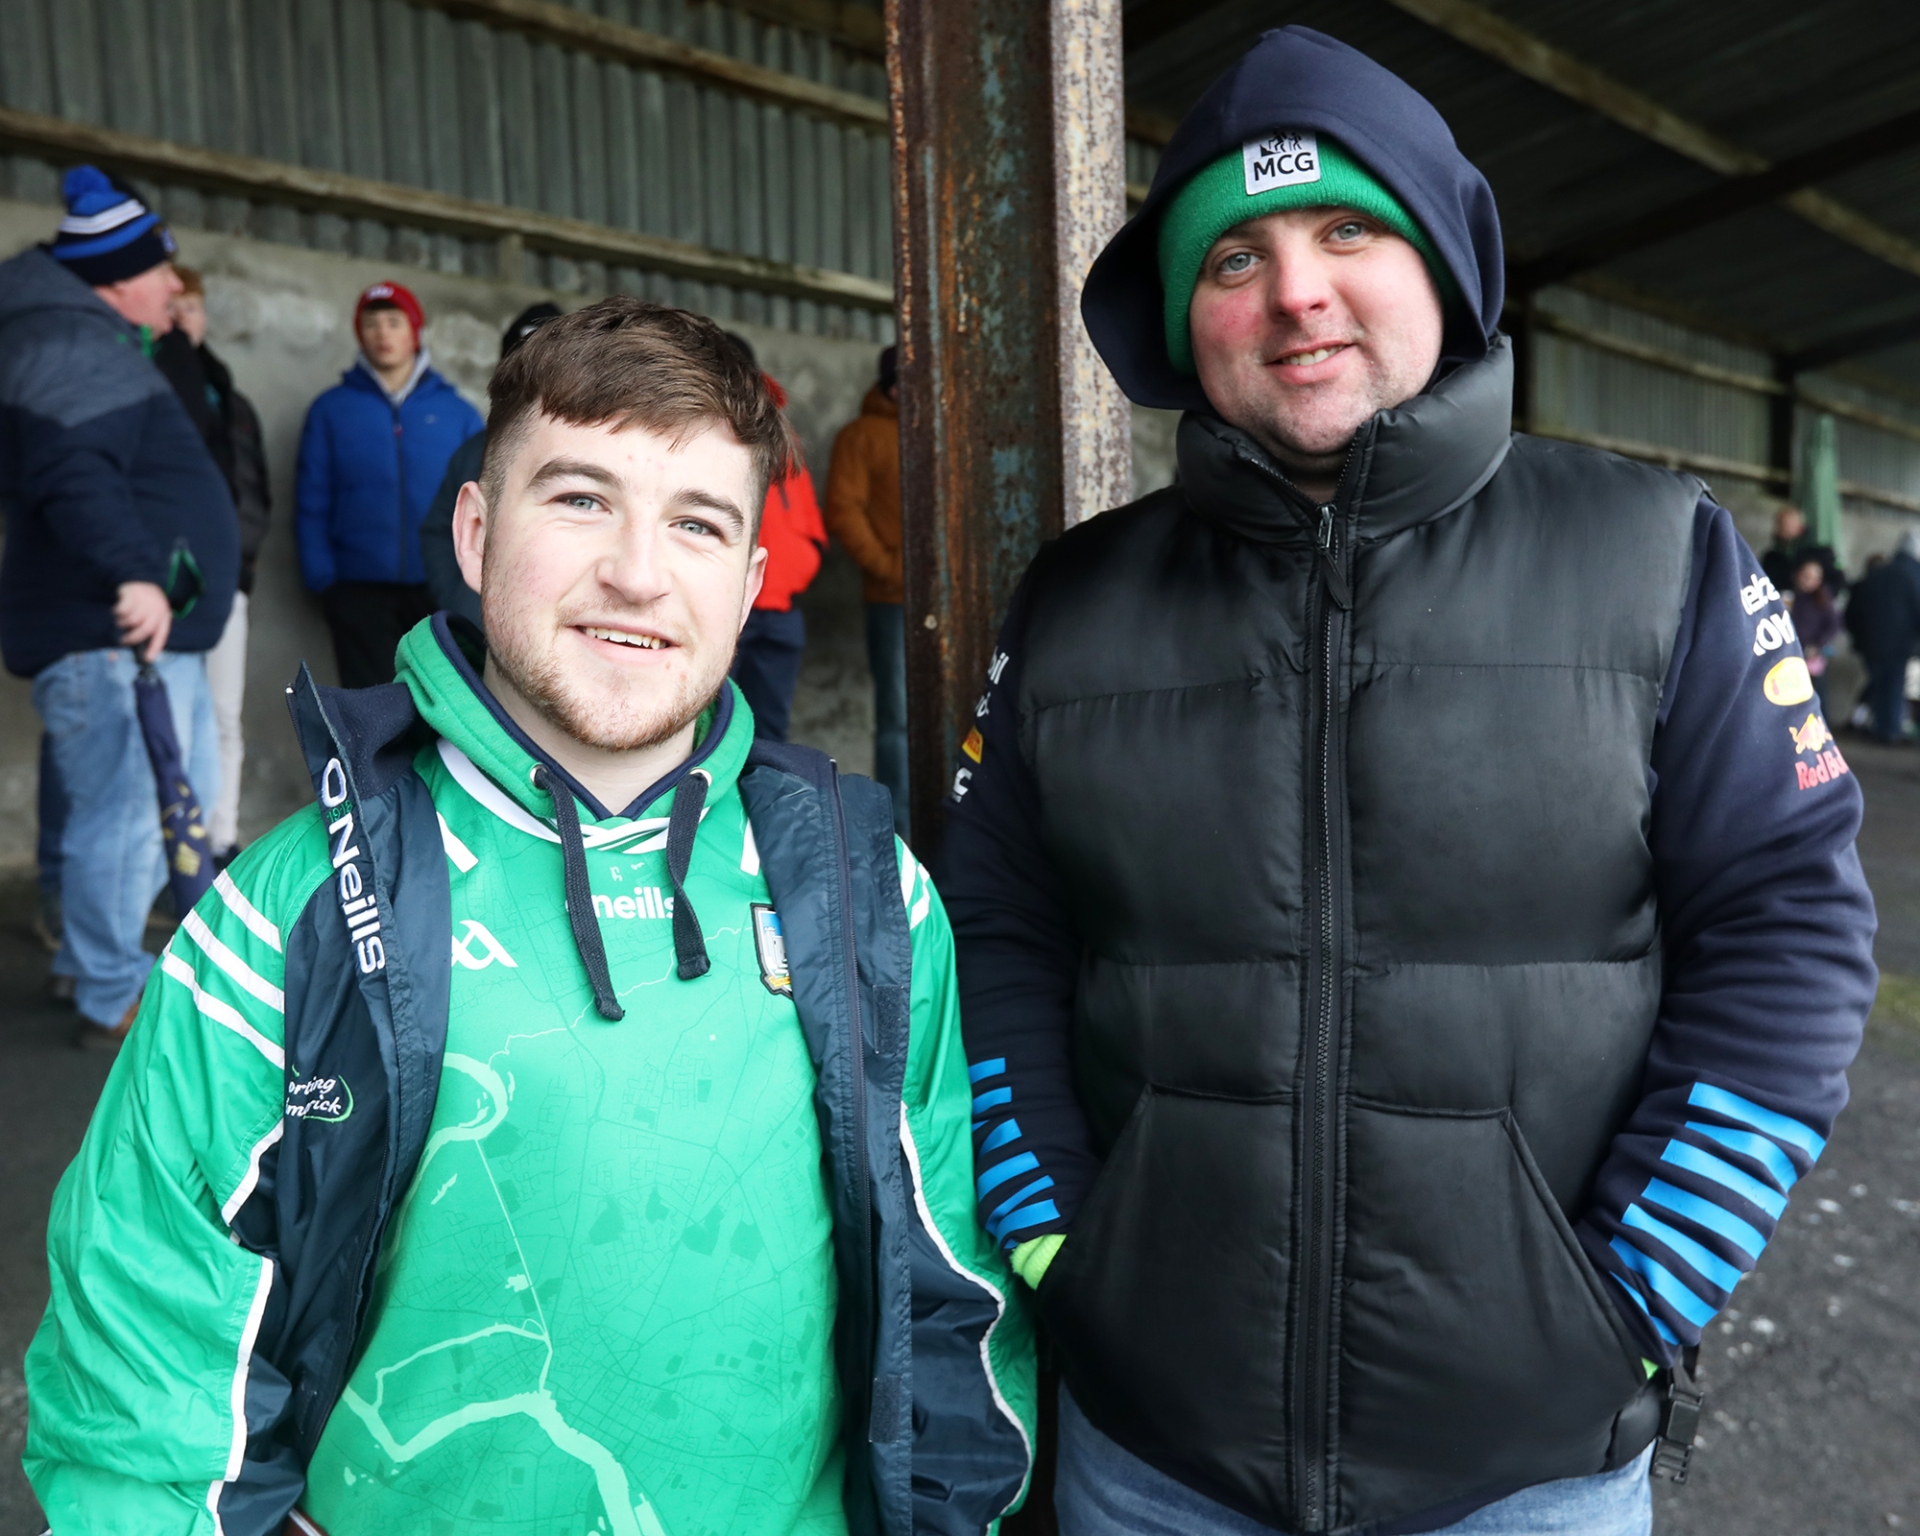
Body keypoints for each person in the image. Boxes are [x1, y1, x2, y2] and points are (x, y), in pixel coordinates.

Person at [937, 28, 1877, 1536]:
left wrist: (1630, 1295)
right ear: (1184, 319)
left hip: (1529, 1468)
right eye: (1234, 255)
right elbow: (993, 932)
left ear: (1442, 262)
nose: (1295, 291)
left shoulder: (1658, 556)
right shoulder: (1079, 601)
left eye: (1348, 232)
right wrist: (1058, 1240)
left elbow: (1790, 930)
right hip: (1156, 1456)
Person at [25, 298, 1035, 1535]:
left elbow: (956, 1311)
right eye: (580, 499)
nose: (638, 573)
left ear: (750, 582)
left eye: (699, 523)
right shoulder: (288, 909)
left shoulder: (870, 893)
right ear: (474, 530)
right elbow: (142, 1375)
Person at [0, 166, 237, 1048]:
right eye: (161, 270)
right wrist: (136, 574)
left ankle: (90, 965)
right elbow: (74, 470)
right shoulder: (69, 341)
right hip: (113, 631)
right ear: (118, 278)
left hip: (135, 636)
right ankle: (109, 993)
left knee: (141, 814)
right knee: (127, 818)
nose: (174, 286)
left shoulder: (82, 335)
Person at [296, 279, 483, 687]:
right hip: (358, 588)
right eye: (371, 324)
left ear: (414, 332)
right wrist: (324, 579)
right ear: (359, 334)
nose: (383, 334)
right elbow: (312, 499)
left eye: (394, 323)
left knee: (441, 697)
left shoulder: (457, 413)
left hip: (439, 585)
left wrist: (468, 581)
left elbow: (483, 502)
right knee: (369, 702)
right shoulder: (330, 410)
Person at [154, 264, 273, 865]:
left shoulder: (232, 399)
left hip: (229, 581)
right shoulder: (149, 382)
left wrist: (240, 558)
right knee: (171, 717)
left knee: (224, 713)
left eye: (192, 309)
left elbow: (254, 490)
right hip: (167, 585)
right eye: (172, 308)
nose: (183, 320)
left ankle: (220, 841)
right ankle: (169, 853)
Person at [419, 301, 564, 629]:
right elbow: (438, 531)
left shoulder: (599, 453)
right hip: (477, 630)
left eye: (549, 365)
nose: (535, 380)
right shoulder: (473, 452)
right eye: (521, 366)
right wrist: (457, 597)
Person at [723, 333, 827, 743]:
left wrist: (800, 567)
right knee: (709, 727)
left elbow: (806, 516)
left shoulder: (780, 433)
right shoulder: (697, 431)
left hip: (781, 608)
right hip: (725, 606)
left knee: (770, 733)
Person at [824, 345, 906, 835]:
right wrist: (888, 568)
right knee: (898, 719)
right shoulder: (861, 437)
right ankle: (902, 830)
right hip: (893, 602)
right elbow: (843, 509)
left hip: (949, 603)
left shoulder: (939, 433)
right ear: (893, 386)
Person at [1844, 530, 1920, 741]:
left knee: (1878, 684)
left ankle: (1881, 727)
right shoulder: (1913, 574)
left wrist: (1858, 638)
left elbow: (1854, 608)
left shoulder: (1877, 573)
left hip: (1871, 641)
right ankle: (1890, 730)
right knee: (1894, 685)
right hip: (1900, 643)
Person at [1788, 554, 1842, 713]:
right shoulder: (1790, 596)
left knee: (1815, 697)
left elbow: (1834, 625)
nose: (1809, 581)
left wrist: (1818, 645)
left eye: (1814, 577)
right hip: (1790, 654)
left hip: (1812, 656)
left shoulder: (1823, 599)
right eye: (1806, 576)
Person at [1760, 501, 1843, 595]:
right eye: (1779, 524)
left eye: (1786, 525)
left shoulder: (1821, 553)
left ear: (1800, 526)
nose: (1781, 529)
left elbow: (1837, 583)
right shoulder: (1772, 557)